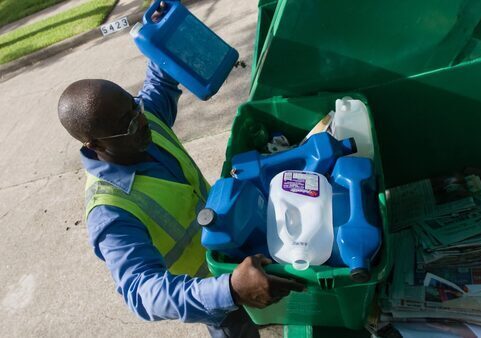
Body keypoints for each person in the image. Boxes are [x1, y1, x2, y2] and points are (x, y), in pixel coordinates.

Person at [57, 29, 304, 338]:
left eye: (135, 106)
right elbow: (141, 291)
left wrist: (165, 31)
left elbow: (159, 80)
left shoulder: (144, 120)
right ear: (95, 145)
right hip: (211, 289)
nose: (142, 120)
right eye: (129, 123)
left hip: (237, 244)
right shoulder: (110, 212)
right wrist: (229, 290)